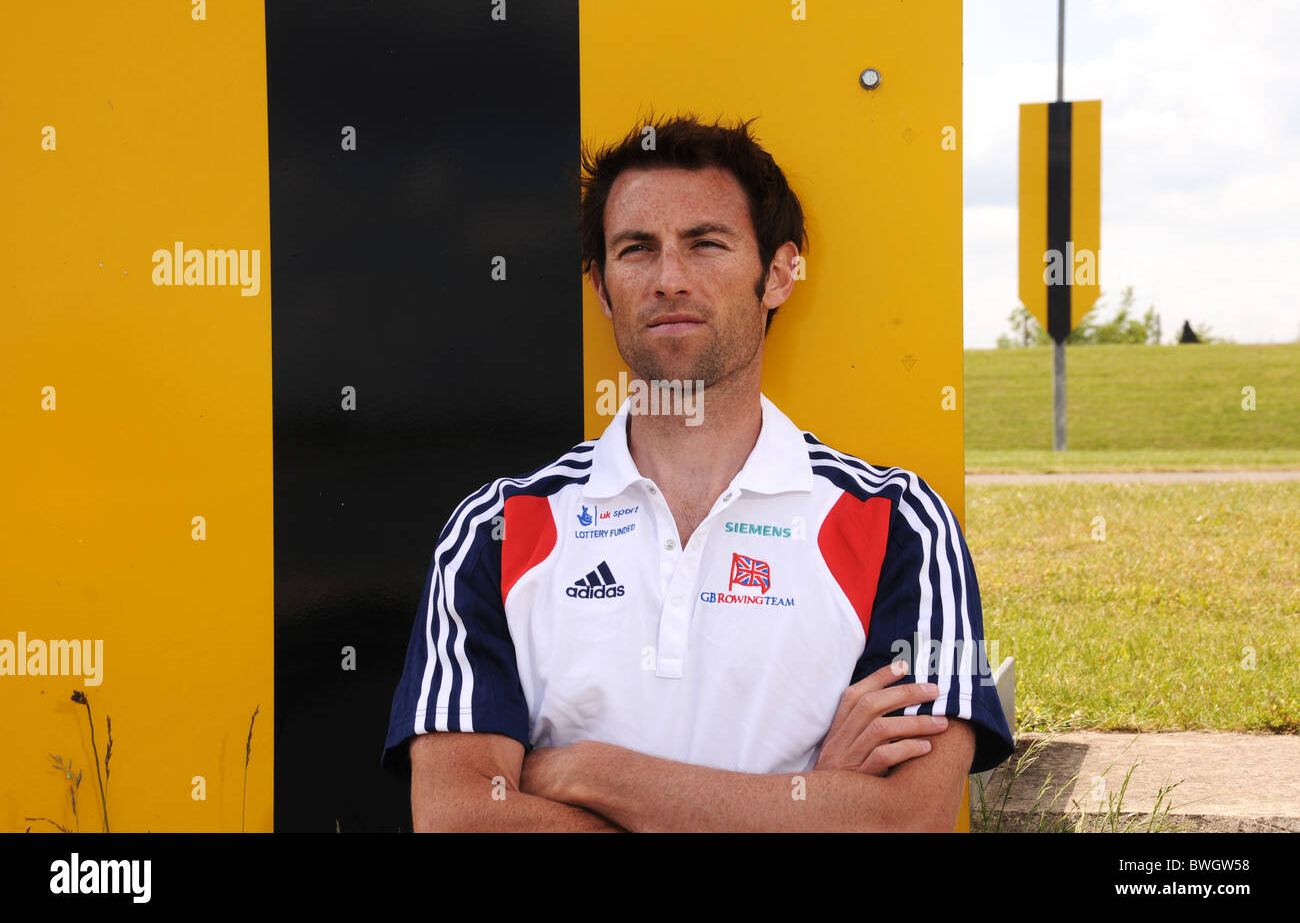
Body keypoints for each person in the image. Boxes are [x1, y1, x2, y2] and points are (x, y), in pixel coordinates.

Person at [381, 113, 1015, 831]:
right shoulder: (496, 528)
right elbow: (460, 817)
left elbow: (906, 821)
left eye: (705, 244)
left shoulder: (902, 522)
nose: (669, 279)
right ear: (600, 287)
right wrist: (813, 801)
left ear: (777, 273)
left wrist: (591, 771)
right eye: (636, 250)